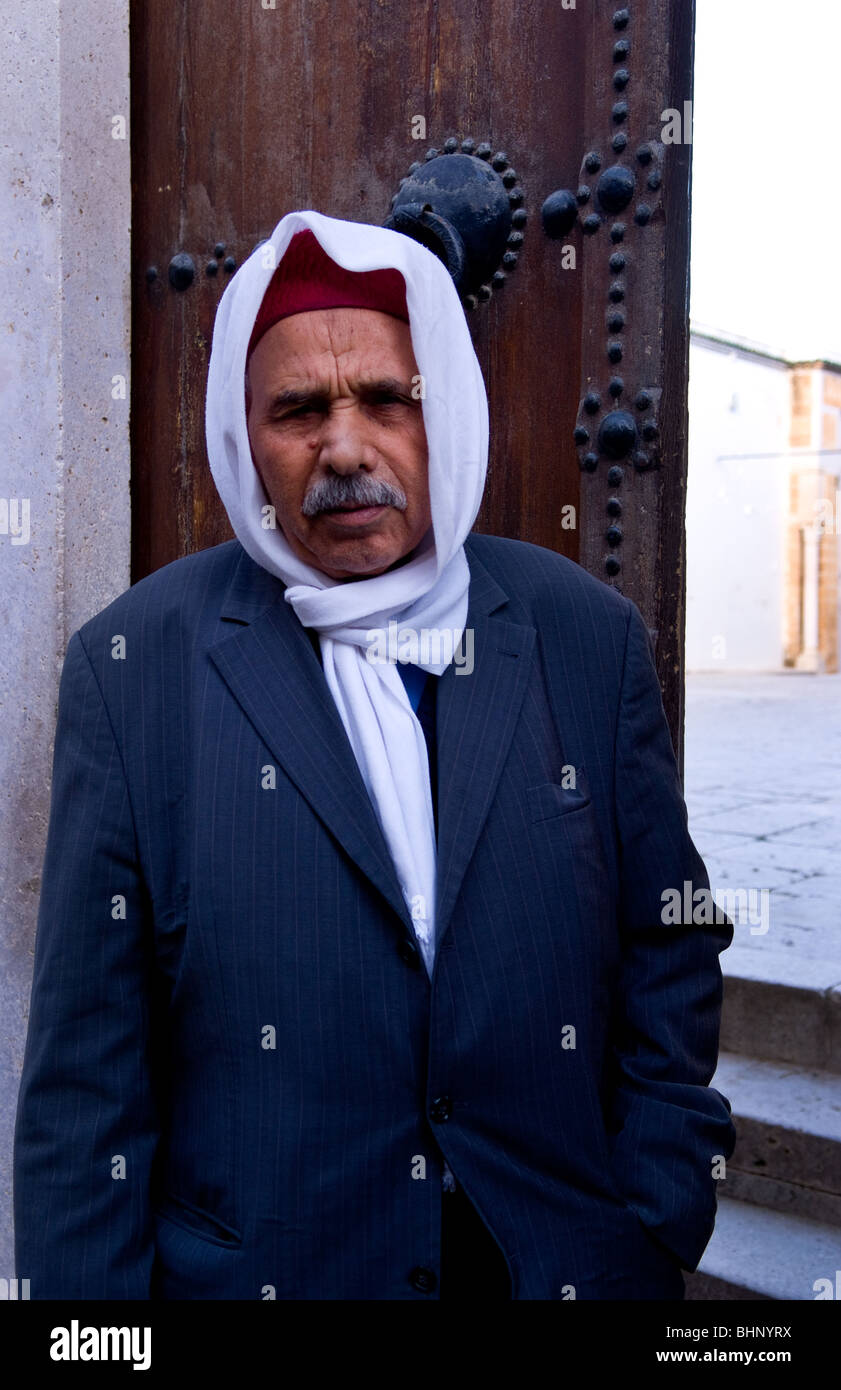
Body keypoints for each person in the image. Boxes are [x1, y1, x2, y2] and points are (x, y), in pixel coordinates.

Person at [13, 210, 735, 1300]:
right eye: (298, 409)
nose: (345, 448)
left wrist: (657, 1204)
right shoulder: (134, 669)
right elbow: (85, 1083)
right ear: (240, 434)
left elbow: (666, 938)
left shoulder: (580, 634)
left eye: (389, 400)